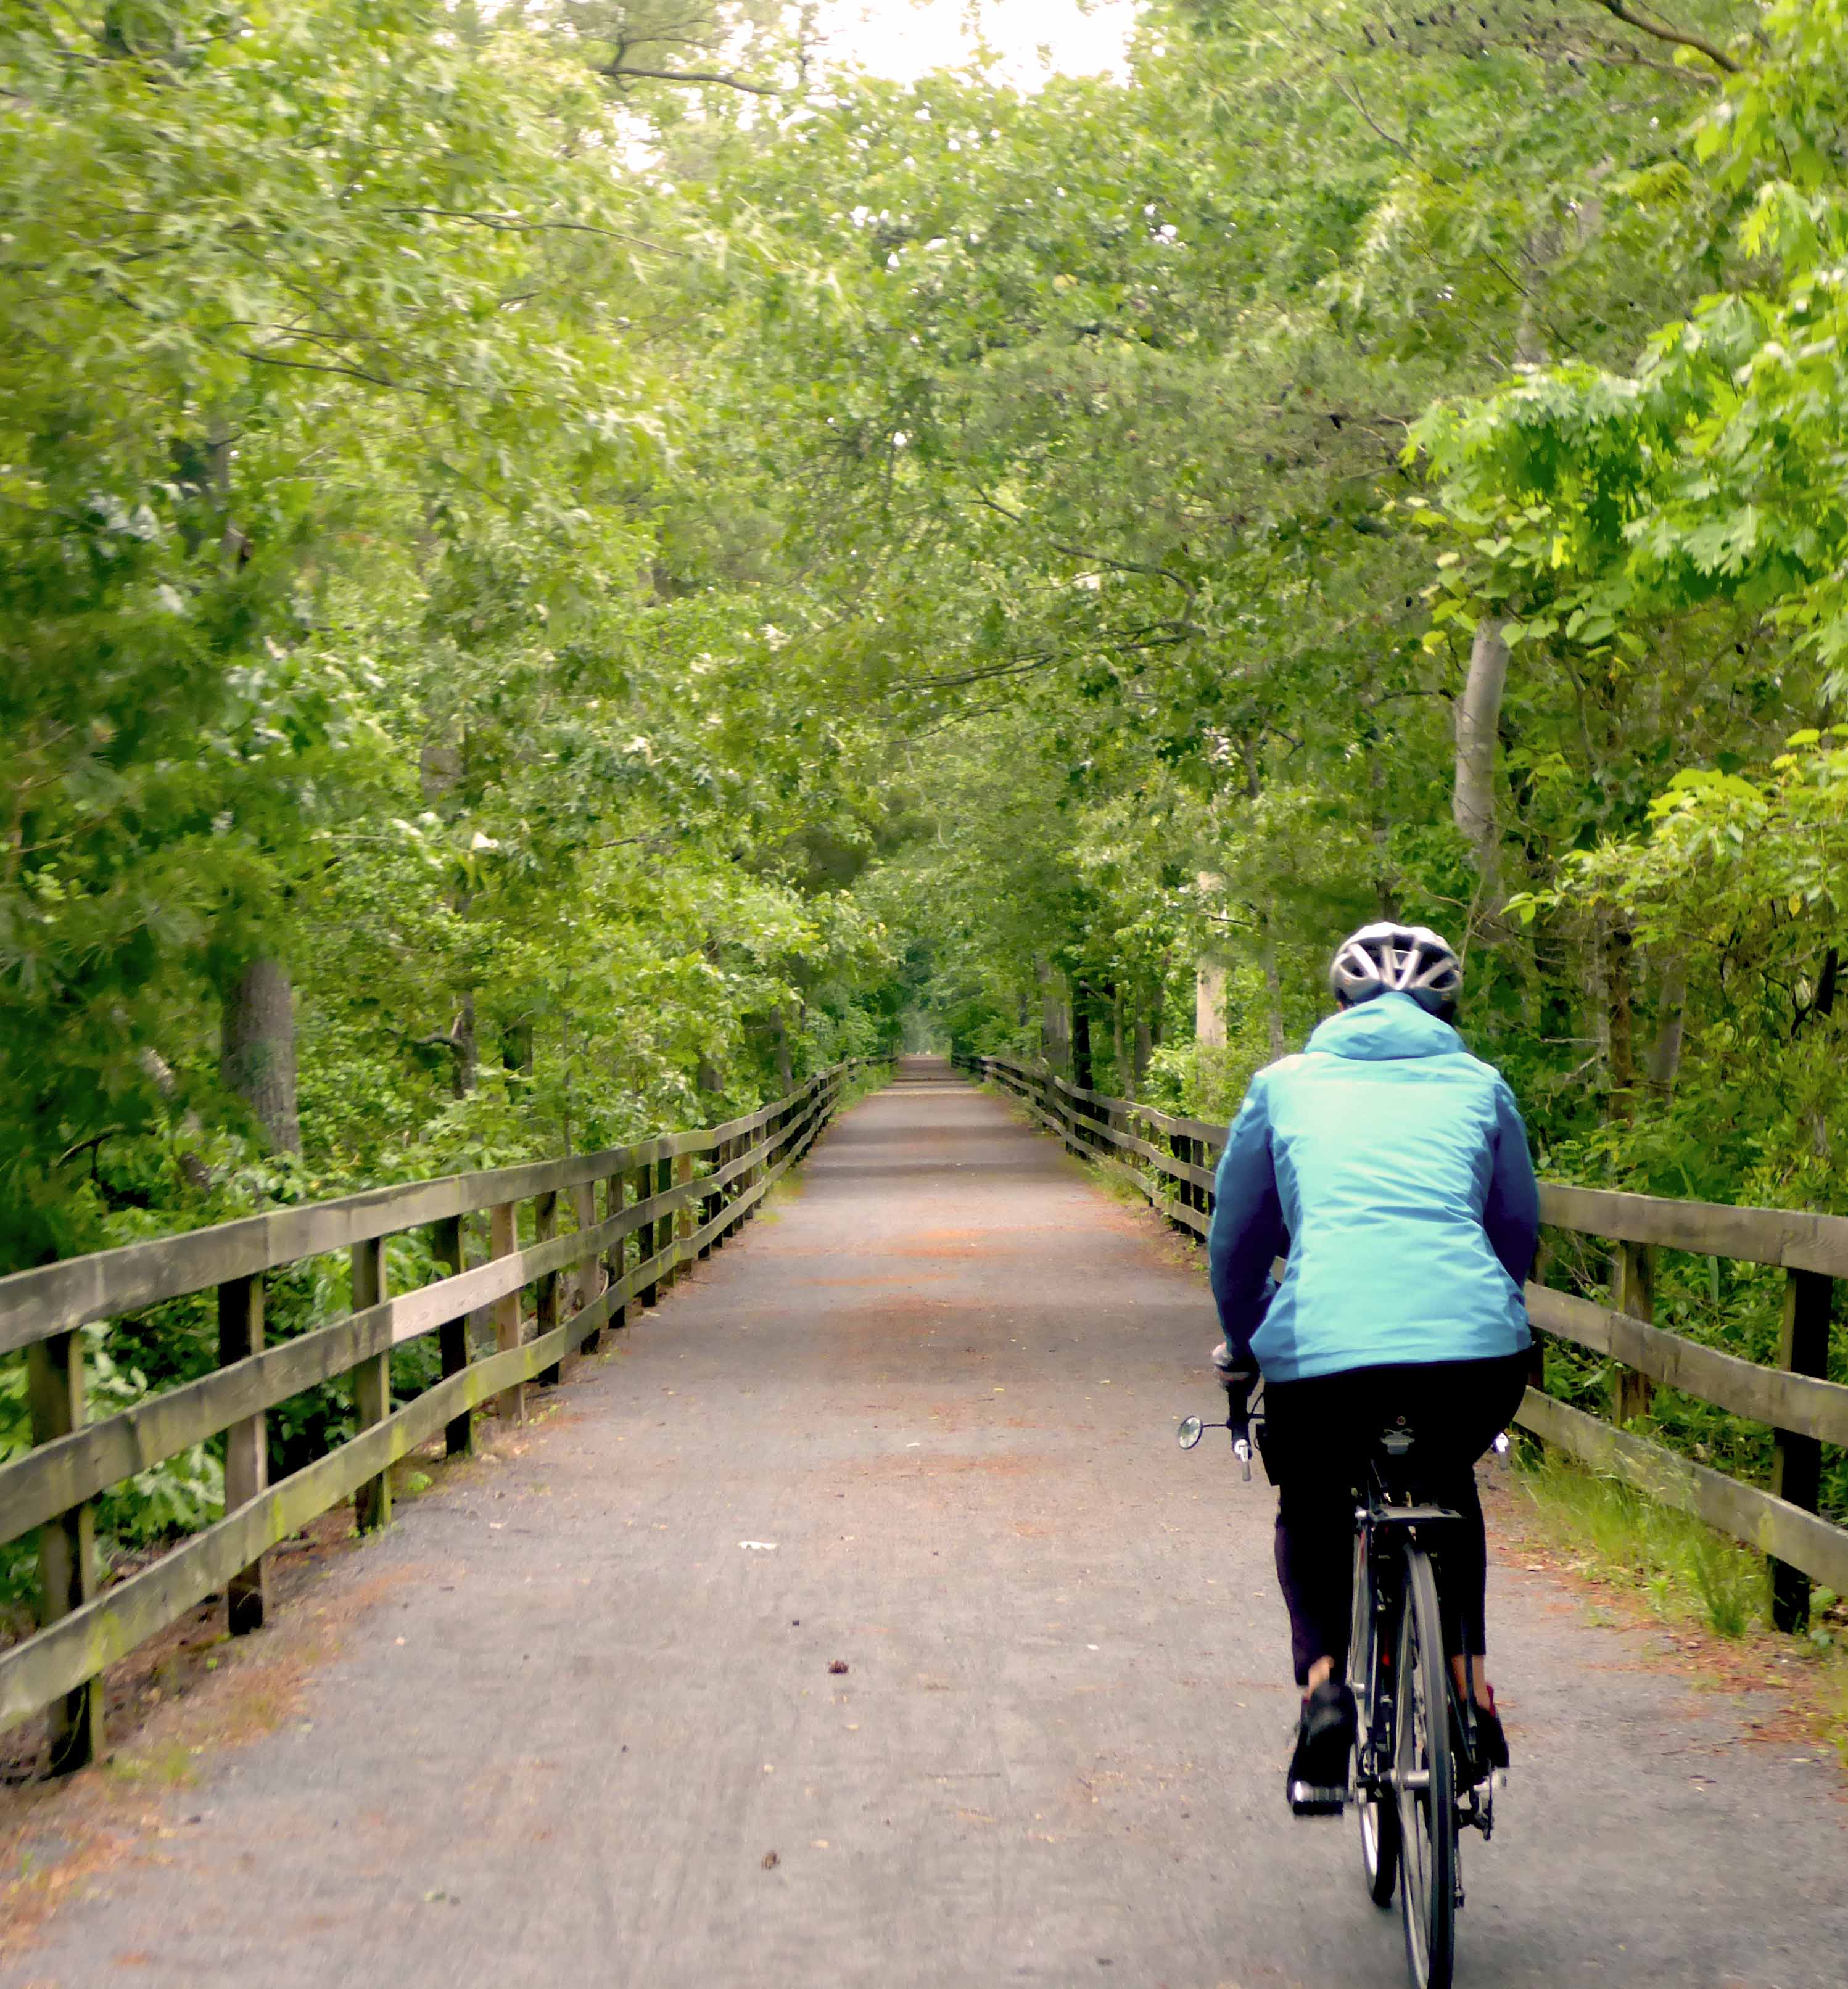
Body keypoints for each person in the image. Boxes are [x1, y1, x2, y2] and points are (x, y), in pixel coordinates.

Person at [1205, 921, 1538, 1806]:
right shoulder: (1482, 1085)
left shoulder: (1283, 1088)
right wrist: (1479, 1313)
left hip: (1325, 1356)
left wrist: (1243, 1345)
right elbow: (1516, 1234)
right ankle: (1467, 1687)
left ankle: (1323, 1689)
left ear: (1340, 1003)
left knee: (1313, 1495)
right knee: (1447, 1476)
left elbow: (1237, 1244)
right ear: (1448, 1008)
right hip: (1473, 1354)